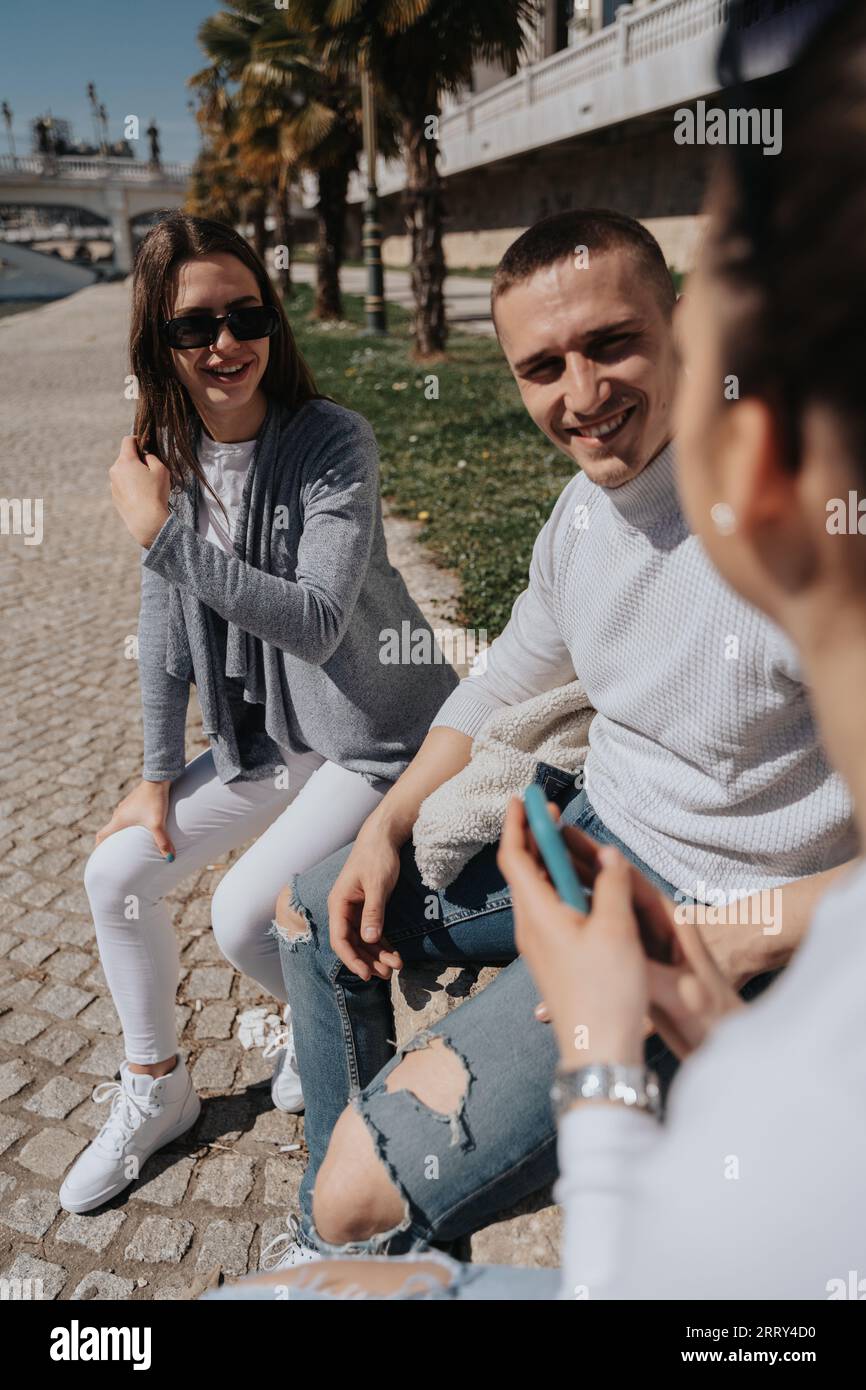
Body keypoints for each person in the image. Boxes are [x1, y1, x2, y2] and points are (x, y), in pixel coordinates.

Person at [208, 0, 866, 1300]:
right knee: (307, 902)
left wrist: (732, 937)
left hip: (700, 913)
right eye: (539, 367)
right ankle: (355, 1225)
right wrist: (395, 814)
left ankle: (354, 1227)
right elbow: (507, 673)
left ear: (679, 325)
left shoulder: (799, 517)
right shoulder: (579, 514)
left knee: (354, 1188)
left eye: (611, 345)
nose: (579, 394)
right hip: (579, 843)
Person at [58, 213, 457, 1215]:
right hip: (276, 737)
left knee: (246, 923)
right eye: (196, 326)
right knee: (115, 871)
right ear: (160, 344)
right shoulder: (170, 453)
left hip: (372, 735)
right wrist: (155, 775)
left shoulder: (331, 443)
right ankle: (158, 1089)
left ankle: (334, 1033)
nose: (226, 341)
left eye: (247, 315)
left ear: (272, 322)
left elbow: (320, 621)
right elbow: (163, 626)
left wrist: (163, 536)